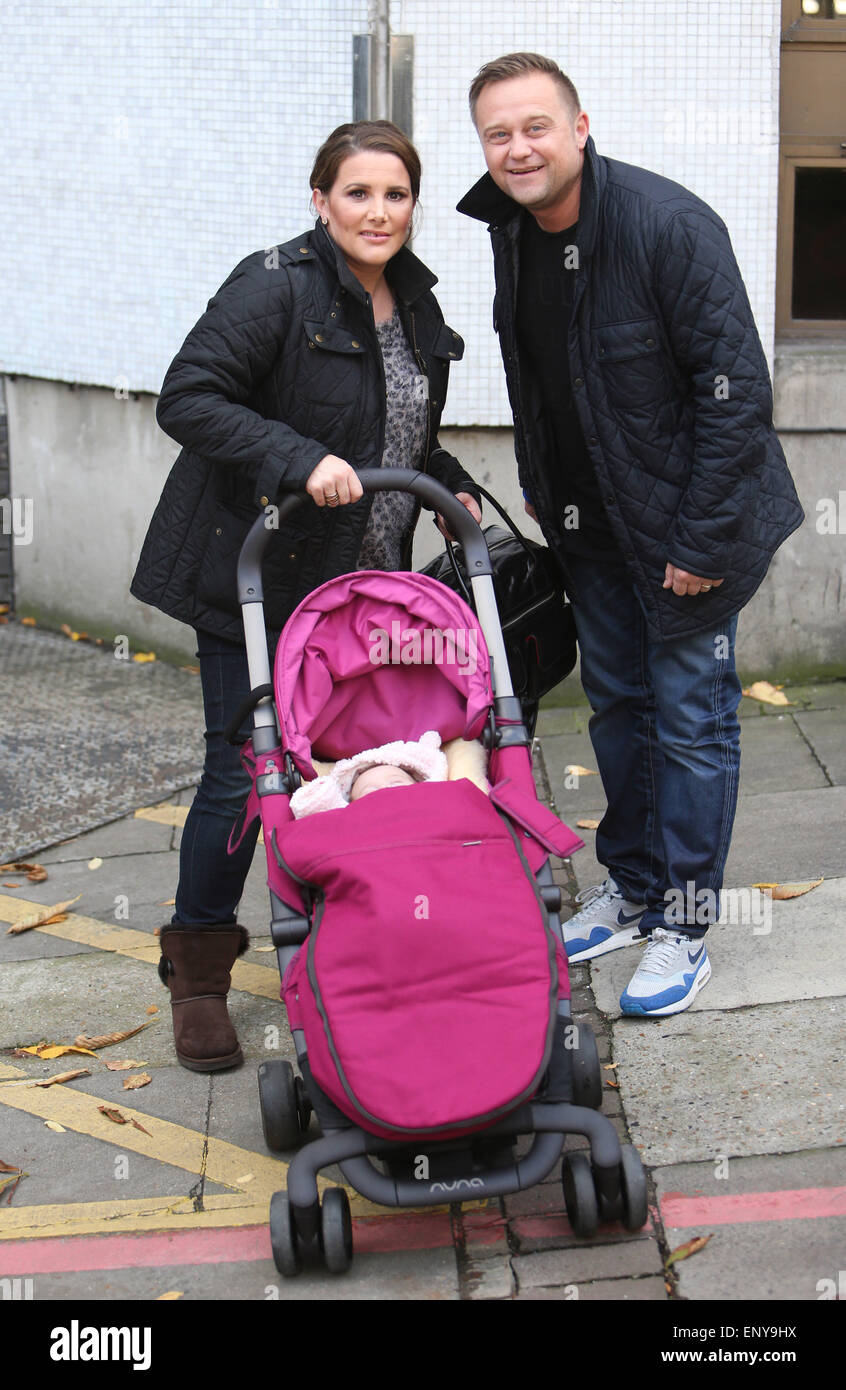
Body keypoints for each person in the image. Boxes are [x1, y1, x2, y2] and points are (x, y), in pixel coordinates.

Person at [131, 121, 481, 1071]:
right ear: (320, 198)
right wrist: (299, 459)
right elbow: (189, 398)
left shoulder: (413, 303)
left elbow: (396, 428)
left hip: (364, 593)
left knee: (358, 771)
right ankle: (199, 972)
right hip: (259, 576)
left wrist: (453, 488)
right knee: (245, 774)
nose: (378, 212)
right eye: (358, 193)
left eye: (396, 194)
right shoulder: (275, 284)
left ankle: (358, 941)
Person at [458, 54, 803, 1017]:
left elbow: (736, 397)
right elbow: (540, 379)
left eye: (535, 126)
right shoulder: (512, 229)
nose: (518, 148)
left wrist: (697, 542)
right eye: (498, 133)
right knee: (617, 706)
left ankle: (685, 927)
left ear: (579, 126)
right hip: (591, 527)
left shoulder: (668, 225)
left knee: (693, 723)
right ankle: (637, 887)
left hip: (696, 526)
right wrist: (542, 493)